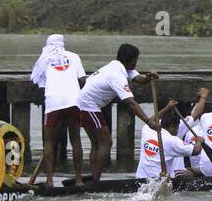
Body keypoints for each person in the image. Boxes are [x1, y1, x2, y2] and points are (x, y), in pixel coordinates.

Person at [77, 43, 162, 181]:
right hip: (87, 105)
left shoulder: (118, 65)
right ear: (131, 60)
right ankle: (95, 181)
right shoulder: (116, 75)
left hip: (86, 104)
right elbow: (131, 103)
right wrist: (149, 122)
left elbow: (138, 78)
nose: (136, 63)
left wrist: (147, 78)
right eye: (136, 60)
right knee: (106, 143)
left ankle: (93, 177)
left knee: (96, 143)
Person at [29, 34, 86, 188]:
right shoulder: (74, 57)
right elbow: (82, 81)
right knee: (75, 140)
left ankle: (49, 181)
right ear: (62, 44)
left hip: (53, 102)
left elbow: (39, 84)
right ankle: (79, 180)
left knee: (48, 142)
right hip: (73, 101)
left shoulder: (43, 60)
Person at [136, 94, 206, 179]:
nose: (177, 131)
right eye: (177, 128)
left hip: (140, 178)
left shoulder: (147, 129)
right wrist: (199, 141)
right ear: (172, 126)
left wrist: (167, 108)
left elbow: (150, 121)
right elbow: (196, 150)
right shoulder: (172, 140)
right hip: (159, 182)